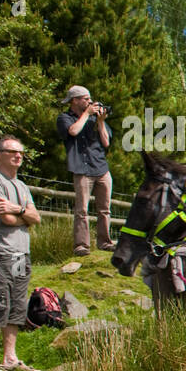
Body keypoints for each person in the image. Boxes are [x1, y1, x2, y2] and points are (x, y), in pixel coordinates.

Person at [0, 136, 42, 371]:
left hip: (20, 254)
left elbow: (35, 218)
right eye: (12, 151)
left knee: (17, 304)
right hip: (0, 253)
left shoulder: (23, 186)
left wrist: (17, 209)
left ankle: (10, 358)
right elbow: (6, 221)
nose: (18, 156)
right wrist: (24, 215)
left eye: (21, 153)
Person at [56, 85, 114, 256]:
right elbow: (72, 131)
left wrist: (101, 121)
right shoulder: (64, 118)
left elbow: (106, 142)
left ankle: (105, 242)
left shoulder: (94, 118)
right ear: (75, 100)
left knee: (105, 209)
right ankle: (81, 246)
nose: (90, 102)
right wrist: (86, 114)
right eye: (86, 99)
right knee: (82, 210)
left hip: (101, 167)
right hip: (81, 168)